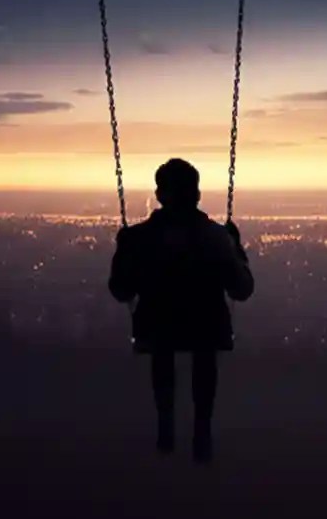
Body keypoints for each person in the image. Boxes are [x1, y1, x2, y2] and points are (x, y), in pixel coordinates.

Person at [108, 158, 254, 462]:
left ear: (160, 195)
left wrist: (123, 253)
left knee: (162, 346)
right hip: (205, 326)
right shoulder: (216, 238)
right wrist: (235, 246)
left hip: (157, 326)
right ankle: (202, 429)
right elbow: (242, 290)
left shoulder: (138, 239)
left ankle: (166, 424)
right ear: (197, 195)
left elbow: (121, 290)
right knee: (205, 351)